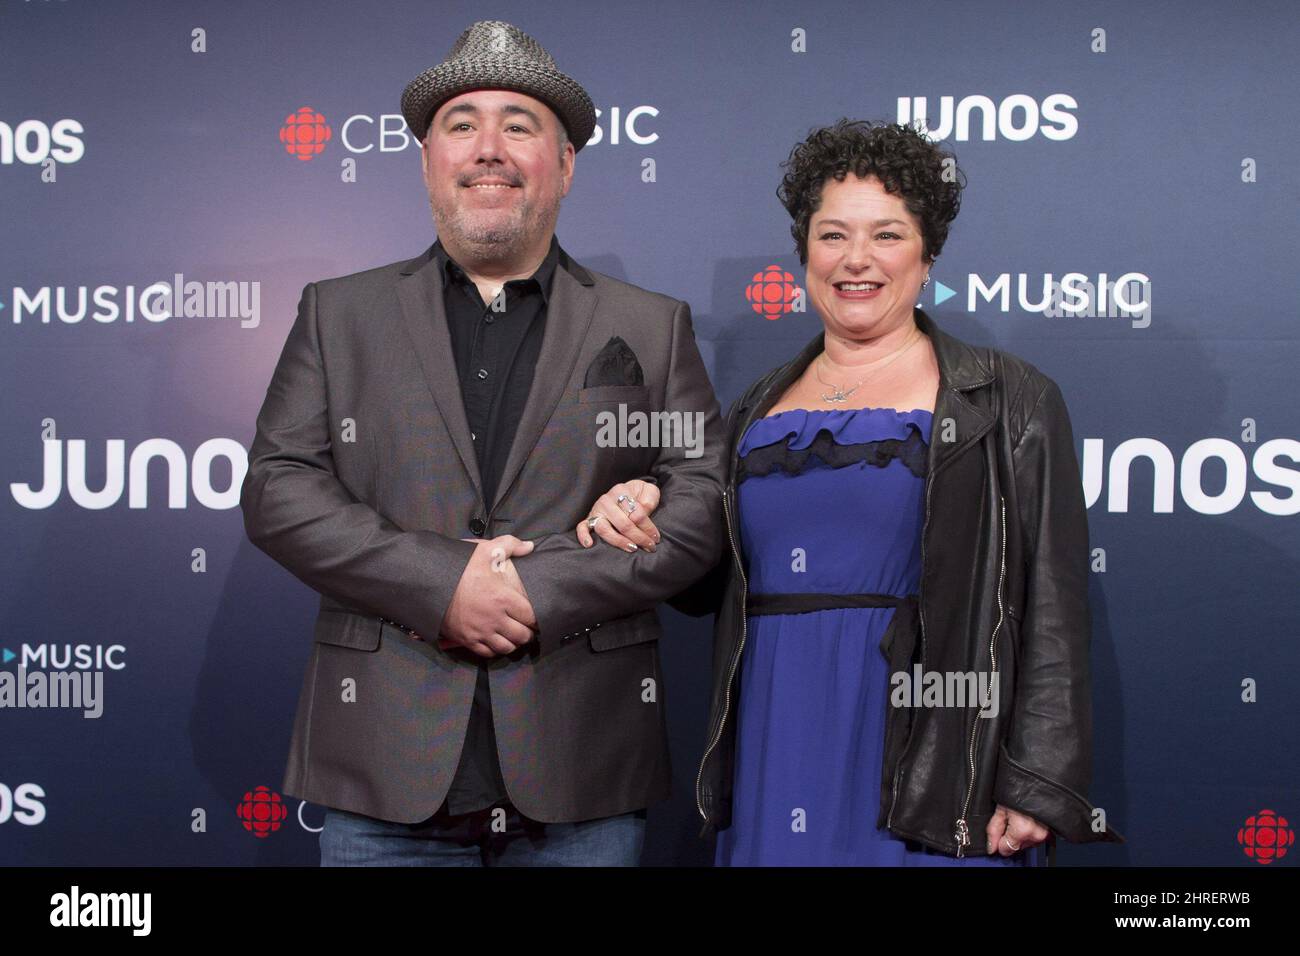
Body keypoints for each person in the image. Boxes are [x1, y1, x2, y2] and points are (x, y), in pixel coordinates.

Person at [240, 20, 725, 867]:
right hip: (381, 767)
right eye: (461, 124)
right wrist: (443, 581)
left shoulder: (649, 325)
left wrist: (537, 590)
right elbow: (279, 486)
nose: (488, 149)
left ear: (566, 164)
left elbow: (700, 506)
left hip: (584, 770)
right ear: (428, 159)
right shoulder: (337, 313)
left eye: (520, 125)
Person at [577, 119, 1124, 865]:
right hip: (775, 735)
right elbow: (704, 580)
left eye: (887, 235)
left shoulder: (1008, 400)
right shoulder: (752, 410)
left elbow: (1054, 607)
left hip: (930, 746)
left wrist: (1035, 779)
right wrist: (640, 505)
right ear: (804, 253)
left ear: (928, 255)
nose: (856, 260)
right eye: (833, 235)